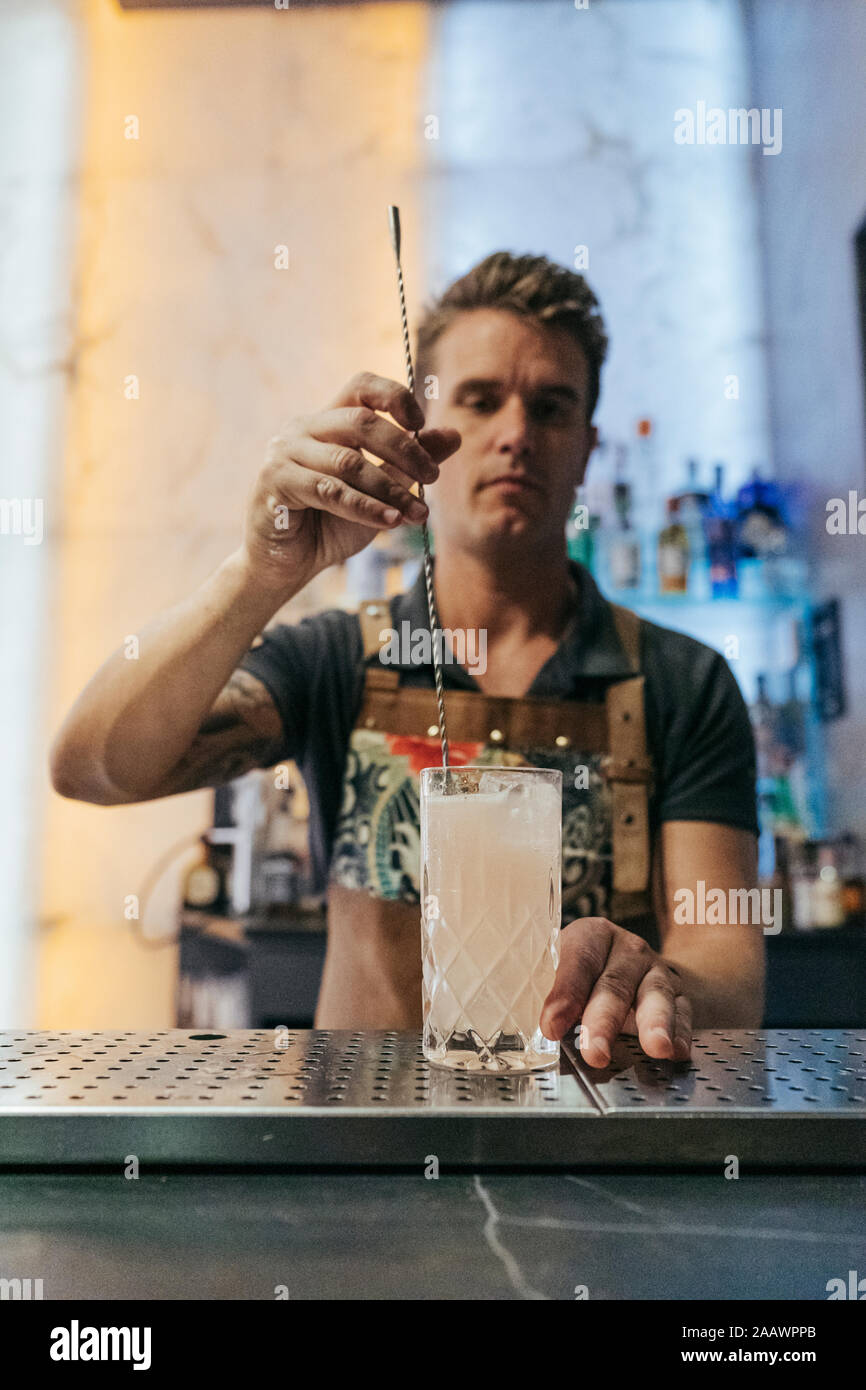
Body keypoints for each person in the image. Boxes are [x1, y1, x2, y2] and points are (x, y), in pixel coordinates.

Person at [50, 251, 764, 1067]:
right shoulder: (341, 660)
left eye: (552, 407)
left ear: (590, 448)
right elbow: (93, 768)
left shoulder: (682, 682)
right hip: (364, 1156)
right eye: (480, 400)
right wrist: (261, 573)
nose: (515, 434)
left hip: (599, 1145)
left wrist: (662, 978)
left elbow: (731, 969)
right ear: (423, 432)